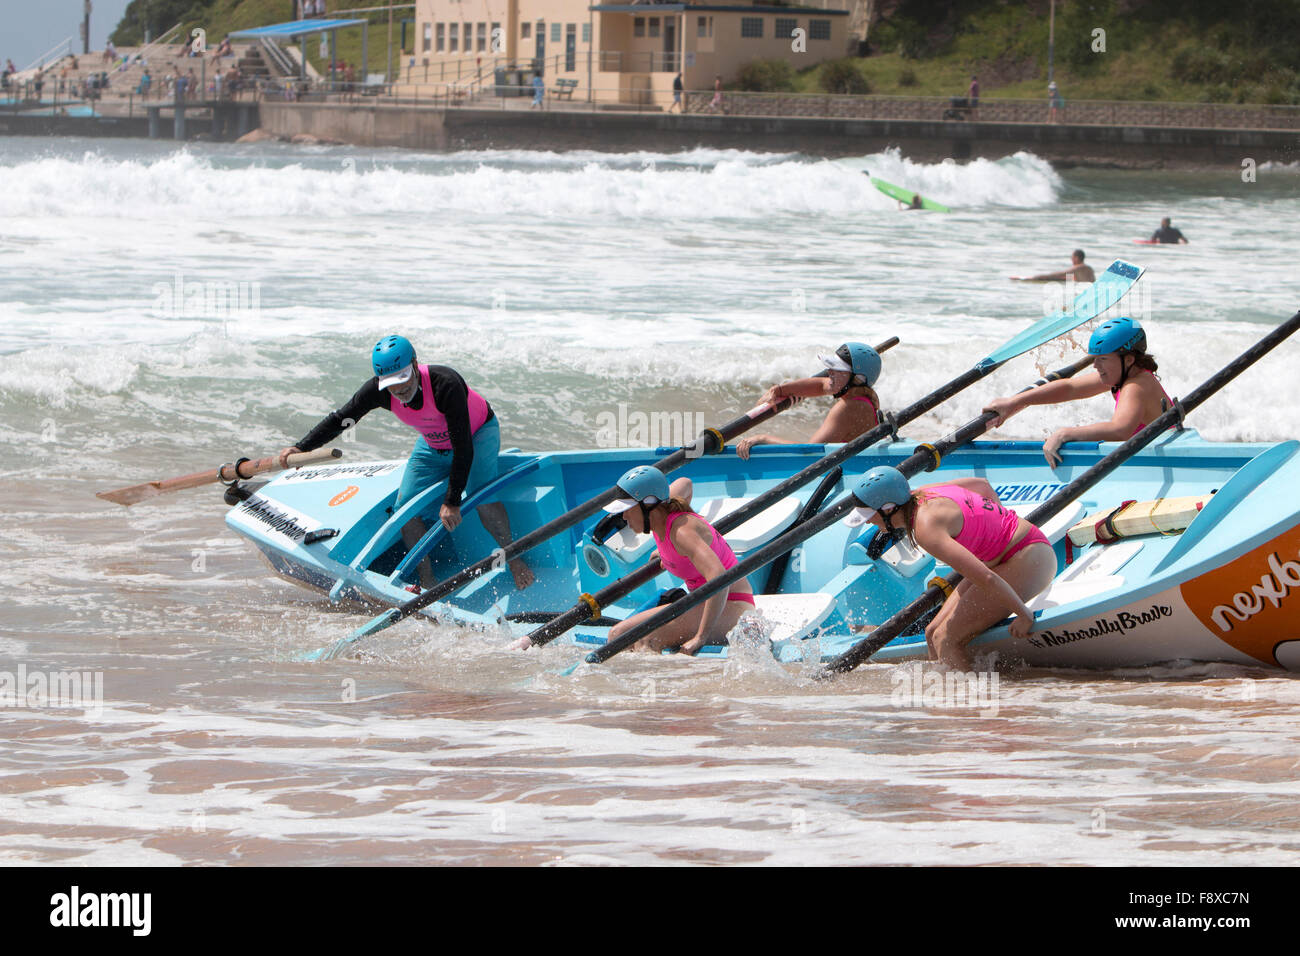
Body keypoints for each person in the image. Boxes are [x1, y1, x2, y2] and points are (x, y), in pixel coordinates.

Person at [276, 336, 535, 591]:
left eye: (403, 379)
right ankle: (427, 581)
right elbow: (342, 419)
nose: (399, 390)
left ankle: (514, 559)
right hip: (432, 442)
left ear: (414, 363)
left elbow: (463, 448)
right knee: (404, 510)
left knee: (481, 497)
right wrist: (301, 447)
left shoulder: (445, 383)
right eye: (391, 384)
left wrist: (452, 500)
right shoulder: (378, 391)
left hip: (476, 434)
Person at [846, 467, 1055, 669]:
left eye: (869, 516)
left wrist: (1024, 615)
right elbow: (983, 485)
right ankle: (942, 698)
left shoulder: (925, 528)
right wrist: (997, 529)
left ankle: (975, 702)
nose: (867, 523)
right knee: (931, 633)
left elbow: (986, 578)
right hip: (1010, 555)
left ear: (889, 508)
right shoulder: (922, 493)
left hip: (1030, 559)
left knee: (945, 640)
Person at [554, 465, 754, 655]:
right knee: (617, 635)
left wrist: (701, 636)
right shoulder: (663, 507)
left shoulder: (682, 533)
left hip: (733, 607)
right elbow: (685, 483)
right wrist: (666, 551)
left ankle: (662, 689)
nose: (623, 517)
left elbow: (719, 577)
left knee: (647, 641)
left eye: (627, 509)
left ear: (649, 505)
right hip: (701, 601)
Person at [982, 316, 1170, 467]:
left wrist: (1064, 433)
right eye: (1094, 359)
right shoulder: (1124, 376)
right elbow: (1069, 388)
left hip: (1168, 460)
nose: (1095, 366)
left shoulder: (1136, 386)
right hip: (1153, 456)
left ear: (1128, 359)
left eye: (1102, 359)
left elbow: (1120, 430)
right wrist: (1013, 401)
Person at [736, 342, 883, 459]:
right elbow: (820, 385)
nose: (829, 371)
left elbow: (810, 453)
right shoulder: (861, 394)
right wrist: (778, 390)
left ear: (857, 378)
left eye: (838, 369)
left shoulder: (848, 408)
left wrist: (764, 439)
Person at [1011, 249, 1095, 283]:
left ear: (1076, 258)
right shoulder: (1089, 269)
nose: (1071, 259)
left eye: (1072, 257)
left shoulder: (1077, 268)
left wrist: (1033, 278)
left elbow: (1057, 275)